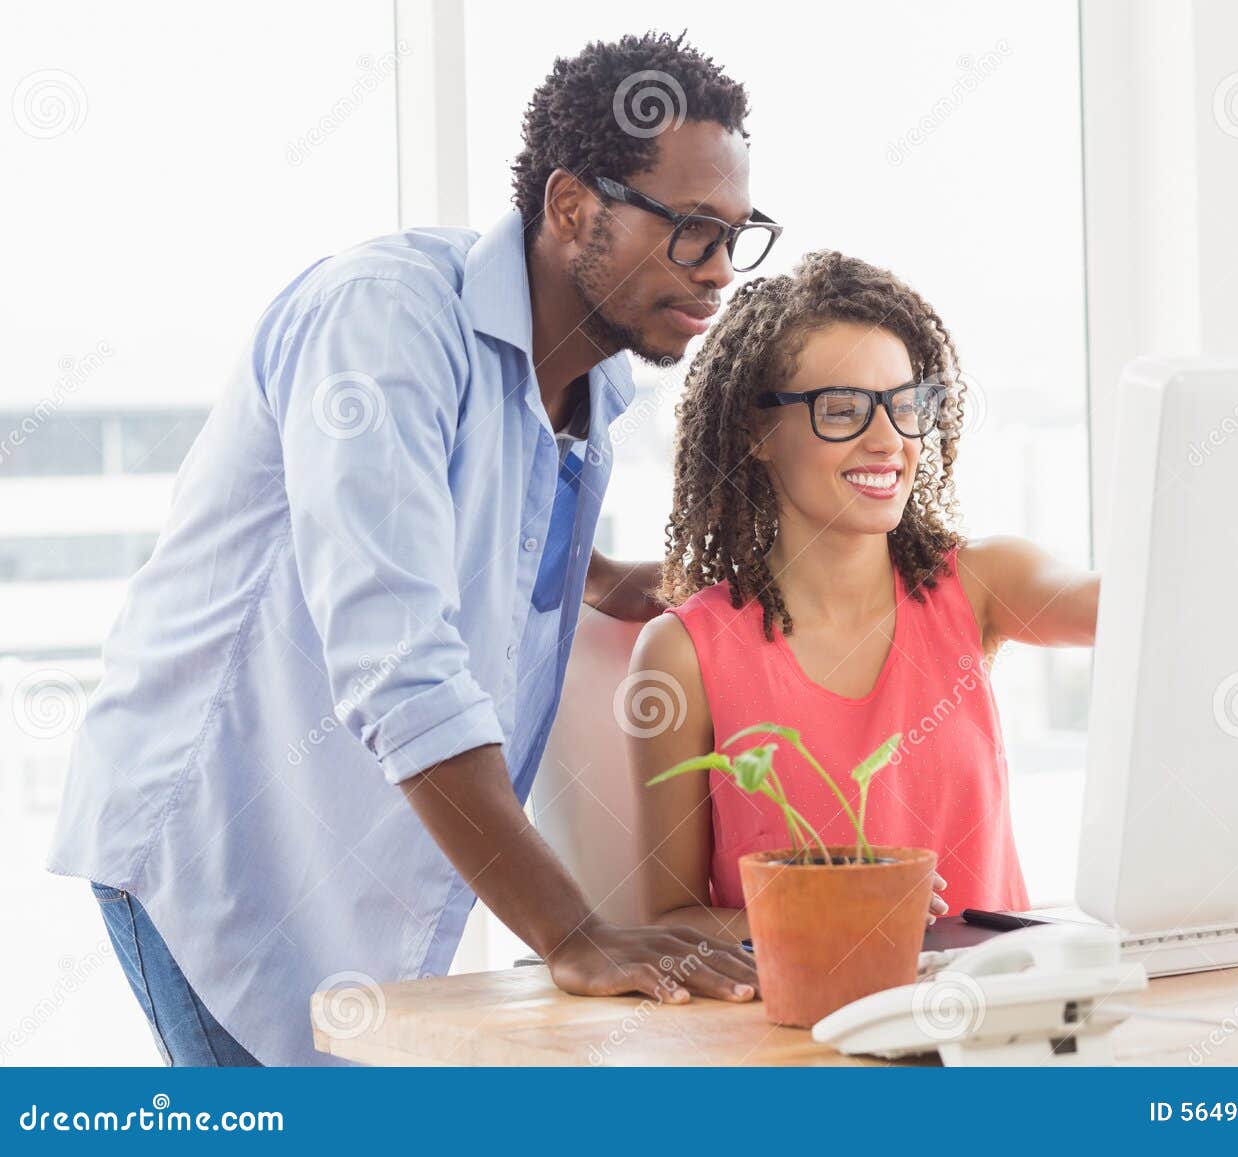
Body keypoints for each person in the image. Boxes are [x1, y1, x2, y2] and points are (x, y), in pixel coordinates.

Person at [48, 33, 776, 1066]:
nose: (719, 271)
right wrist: (570, 931)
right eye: (692, 230)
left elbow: (469, 529)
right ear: (572, 206)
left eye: (737, 236)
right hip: (220, 839)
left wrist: (602, 576)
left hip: (350, 859)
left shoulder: (592, 377)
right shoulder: (383, 320)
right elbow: (397, 656)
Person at [628, 251, 1099, 941]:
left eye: (905, 407)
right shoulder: (682, 655)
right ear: (758, 432)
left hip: (1000, 1001)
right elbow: (667, 923)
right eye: (843, 410)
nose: (888, 440)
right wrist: (831, 913)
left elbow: (1129, 610)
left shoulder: (982, 584)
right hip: (803, 1011)